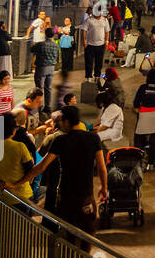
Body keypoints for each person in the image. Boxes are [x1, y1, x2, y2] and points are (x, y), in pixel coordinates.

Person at [11, 105, 107, 248]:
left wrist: (17, 183)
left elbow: (41, 167)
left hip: (66, 197)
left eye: (61, 121)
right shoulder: (93, 138)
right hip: (86, 196)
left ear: (67, 122)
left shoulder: (60, 141)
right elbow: (101, 166)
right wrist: (104, 187)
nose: (60, 123)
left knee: (68, 236)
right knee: (87, 235)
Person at [0, 114, 37, 204]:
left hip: (2, 195)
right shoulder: (19, 147)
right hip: (22, 196)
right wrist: (15, 185)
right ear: (13, 131)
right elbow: (31, 171)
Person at [82, 7, 108, 81]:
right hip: (90, 44)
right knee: (89, 62)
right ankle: (88, 76)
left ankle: (97, 75)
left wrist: (106, 40)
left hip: (101, 45)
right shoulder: (89, 20)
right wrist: (84, 40)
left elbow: (107, 31)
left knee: (99, 62)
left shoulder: (104, 20)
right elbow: (84, 30)